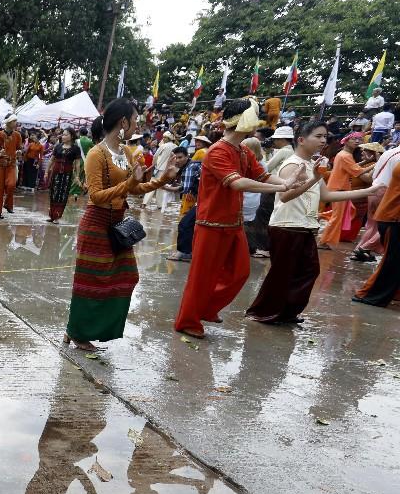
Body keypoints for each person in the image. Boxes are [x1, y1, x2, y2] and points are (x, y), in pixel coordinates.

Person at [174, 98, 303, 338]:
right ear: (244, 121)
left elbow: (263, 176)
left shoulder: (243, 150)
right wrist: (283, 187)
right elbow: (238, 183)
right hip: (210, 224)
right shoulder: (217, 151)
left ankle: (207, 308)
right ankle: (188, 321)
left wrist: (286, 182)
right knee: (201, 278)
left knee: (240, 272)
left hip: (233, 223)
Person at [64, 98, 181, 351]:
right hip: (96, 224)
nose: (137, 125)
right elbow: (95, 195)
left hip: (117, 225)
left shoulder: (127, 152)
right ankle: (77, 333)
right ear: (123, 122)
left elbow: (136, 188)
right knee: (90, 281)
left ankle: (77, 328)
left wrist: (162, 180)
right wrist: (128, 185)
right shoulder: (97, 153)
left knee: (127, 276)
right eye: (135, 120)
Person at [247, 120, 377, 324]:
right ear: (301, 140)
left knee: (307, 271)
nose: (323, 141)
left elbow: (326, 196)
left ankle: (286, 312)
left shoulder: (312, 165)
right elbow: (285, 196)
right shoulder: (292, 164)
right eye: (318, 136)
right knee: (283, 274)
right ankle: (264, 312)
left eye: (324, 137)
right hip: (287, 226)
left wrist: (368, 191)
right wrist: (314, 179)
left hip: (304, 227)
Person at [353, 153, 400, 307]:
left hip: (388, 212)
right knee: (391, 261)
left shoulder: (390, 153)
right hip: (394, 216)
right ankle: (370, 294)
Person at [317, 132, 371, 250]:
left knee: (348, 212)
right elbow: (357, 171)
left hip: (340, 188)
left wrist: (366, 162)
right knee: (338, 217)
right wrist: (377, 164)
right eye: (354, 139)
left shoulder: (343, 154)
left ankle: (321, 215)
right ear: (346, 141)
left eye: (359, 139)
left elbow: (352, 167)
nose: (357, 141)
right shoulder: (345, 155)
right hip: (339, 189)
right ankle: (322, 241)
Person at [353, 145, 400, 261]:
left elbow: (374, 175)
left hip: (374, 190)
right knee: (388, 223)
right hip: (388, 192)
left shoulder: (387, 153)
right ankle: (365, 247)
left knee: (372, 225)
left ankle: (359, 250)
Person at [0, 115, 21, 219]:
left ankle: (8, 204)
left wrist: (20, 152)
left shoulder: (17, 135)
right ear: (8, 122)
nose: (16, 123)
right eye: (14, 121)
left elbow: (19, 149)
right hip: (0, 165)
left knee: (11, 184)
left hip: (12, 165)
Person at [45, 127, 78, 222]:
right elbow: (52, 160)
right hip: (55, 173)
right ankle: (52, 215)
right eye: (63, 134)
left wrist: (76, 176)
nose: (63, 136)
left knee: (63, 194)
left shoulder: (75, 149)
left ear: (71, 136)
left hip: (67, 174)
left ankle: (57, 215)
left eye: (66, 134)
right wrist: (47, 172)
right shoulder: (58, 146)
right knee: (53, 193)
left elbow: (77, 164)